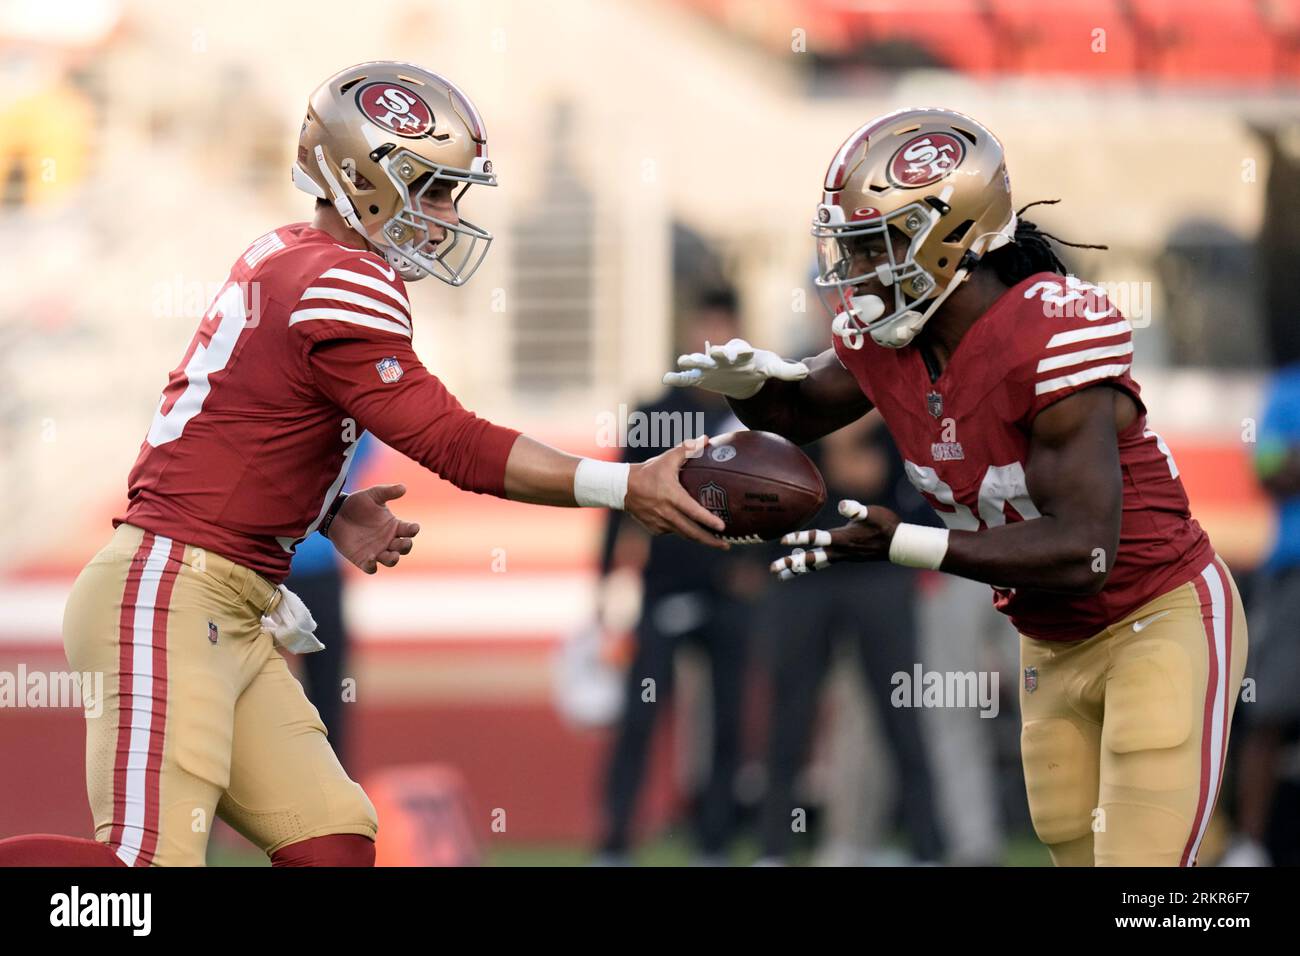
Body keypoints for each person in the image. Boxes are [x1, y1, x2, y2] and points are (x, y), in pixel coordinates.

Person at [0, 61, 721, 868]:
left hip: (224, 597)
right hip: (173, 592)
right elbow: (454, 443)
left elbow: (235, 425)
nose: (447, 217)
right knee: (144, 870)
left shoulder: (287, 254)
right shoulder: (346, 279)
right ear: (368, 181)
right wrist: (625, 485)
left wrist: (322, 508)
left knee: (332, 841)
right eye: (435, 190)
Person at [665, 107, 1248, 867]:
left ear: (949, 236)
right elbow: (798, 408)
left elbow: (1085, 551)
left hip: (1155, 612)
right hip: (1052, 635)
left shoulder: (1047, 333)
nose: (859, 267)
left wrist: (903, 544)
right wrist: (749, 388)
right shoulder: (896, 342)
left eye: (876, 242)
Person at [596, 289, 763, 863]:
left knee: (727, 720)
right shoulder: (654, 413)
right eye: (704, 330)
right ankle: (616, 838)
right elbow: (616, 500)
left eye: (723, 331)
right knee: (639, 717)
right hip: (664, 588)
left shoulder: (757, 415)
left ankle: (713, 839)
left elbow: (784, 504)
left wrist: (757, 570)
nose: (711, 344)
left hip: (730, 593)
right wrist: (604, 587)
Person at [757, 413, 945, 864]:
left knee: (901, 711)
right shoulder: (799, 390)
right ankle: (774, 848)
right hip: (805, 570)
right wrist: (842, 431)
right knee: (790, 715)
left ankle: (928, 846)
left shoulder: (889, 391)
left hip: (875, 569)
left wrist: (848, 427)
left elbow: (866, 475)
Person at [1222, 361, 1300, 865]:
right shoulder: (1287, 391)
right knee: (1268, 710)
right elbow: (1267, 469)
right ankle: (1248, 848)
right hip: (1293, 570)